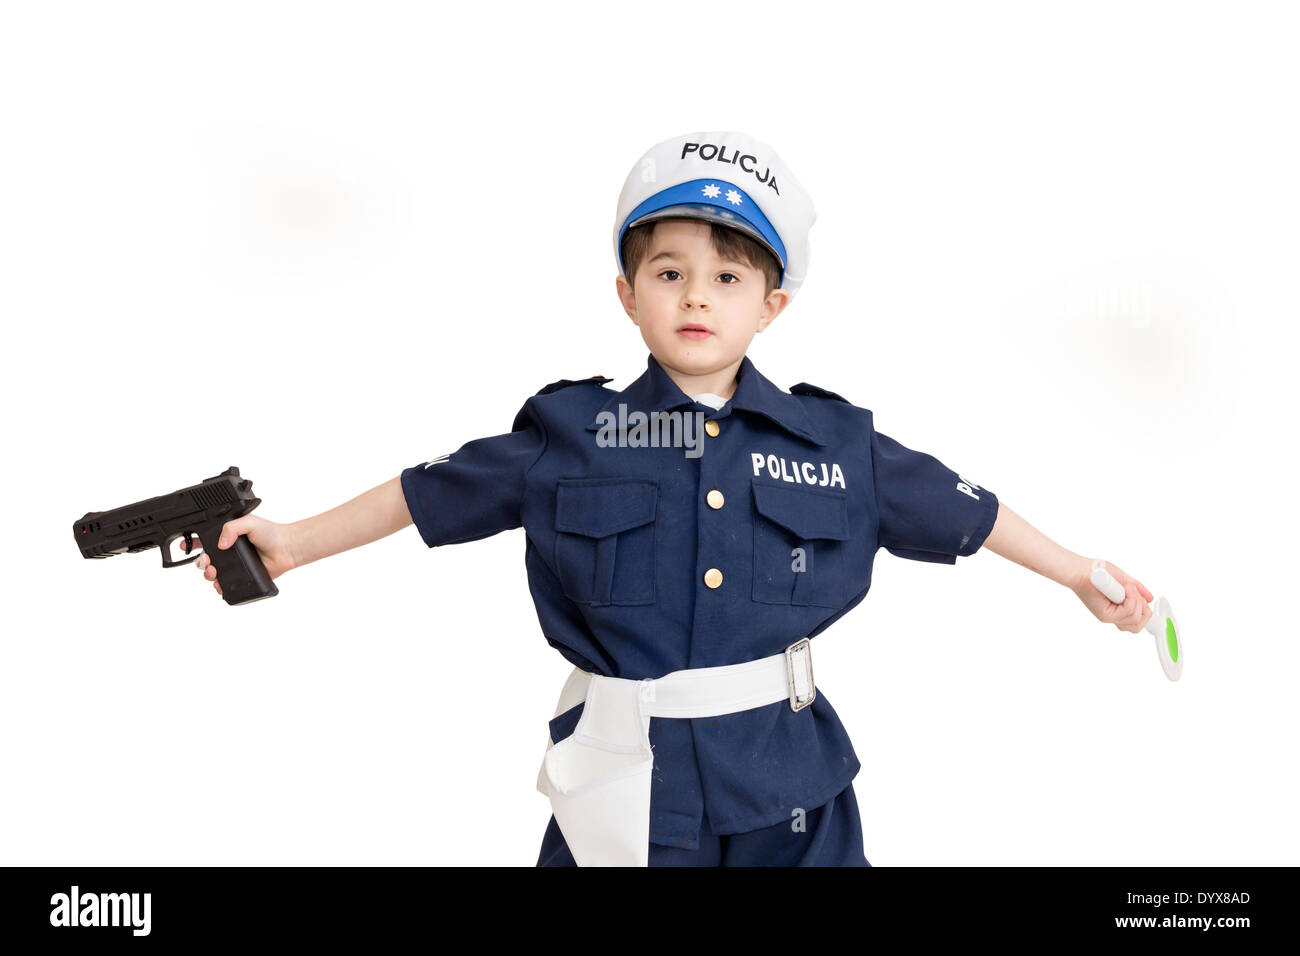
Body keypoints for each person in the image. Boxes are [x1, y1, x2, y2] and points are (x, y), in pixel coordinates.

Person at [191, 131, 1155, 866]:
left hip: (790, 789)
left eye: (728, 276)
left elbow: (970, 514)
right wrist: (292, 543)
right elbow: (425, 493)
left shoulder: (836, 443)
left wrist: (1078, 573)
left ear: (771, 305)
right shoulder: (570, 433)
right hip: (621, 792)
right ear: (627, 294)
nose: (698, 296)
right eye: (669, 272)